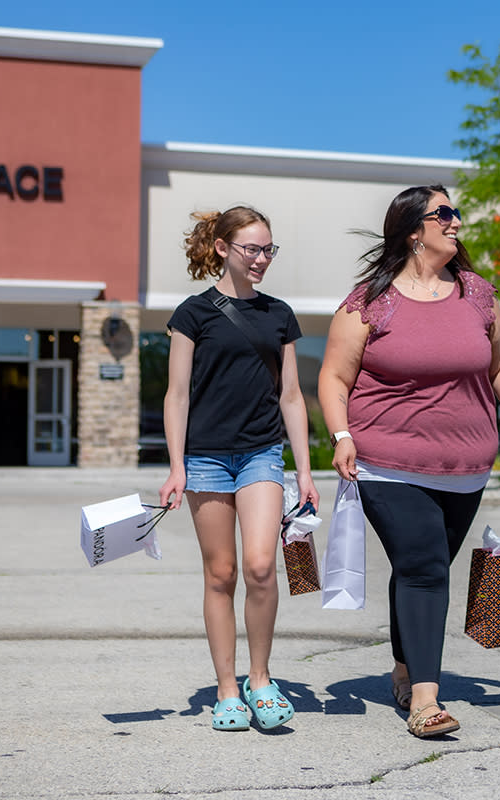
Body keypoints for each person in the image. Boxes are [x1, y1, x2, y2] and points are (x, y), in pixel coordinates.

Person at [317, 184, 500, 739]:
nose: (456, 221)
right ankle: (425, 698)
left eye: (456, 211)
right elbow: (333, 377)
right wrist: (341, 433)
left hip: (465, 468)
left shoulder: (478, 295)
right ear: (413, 229)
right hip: (386, 462)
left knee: (422, 568)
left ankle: (403, 666)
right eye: (443, 213)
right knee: (426, 568)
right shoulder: (370, 301)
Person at [159, 206, 319, 732]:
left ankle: (260, 678)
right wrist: (176, 466)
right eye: (252, 248)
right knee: (221, 574)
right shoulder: (192, 314)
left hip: (260, 455)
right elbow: (176, 395)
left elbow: (292, 395)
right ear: (224, 248)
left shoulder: (279, 315)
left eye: (268, 249)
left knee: (260, 567)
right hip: (205, 459)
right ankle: (226, 689)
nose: (262, 259)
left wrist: (305, 471)